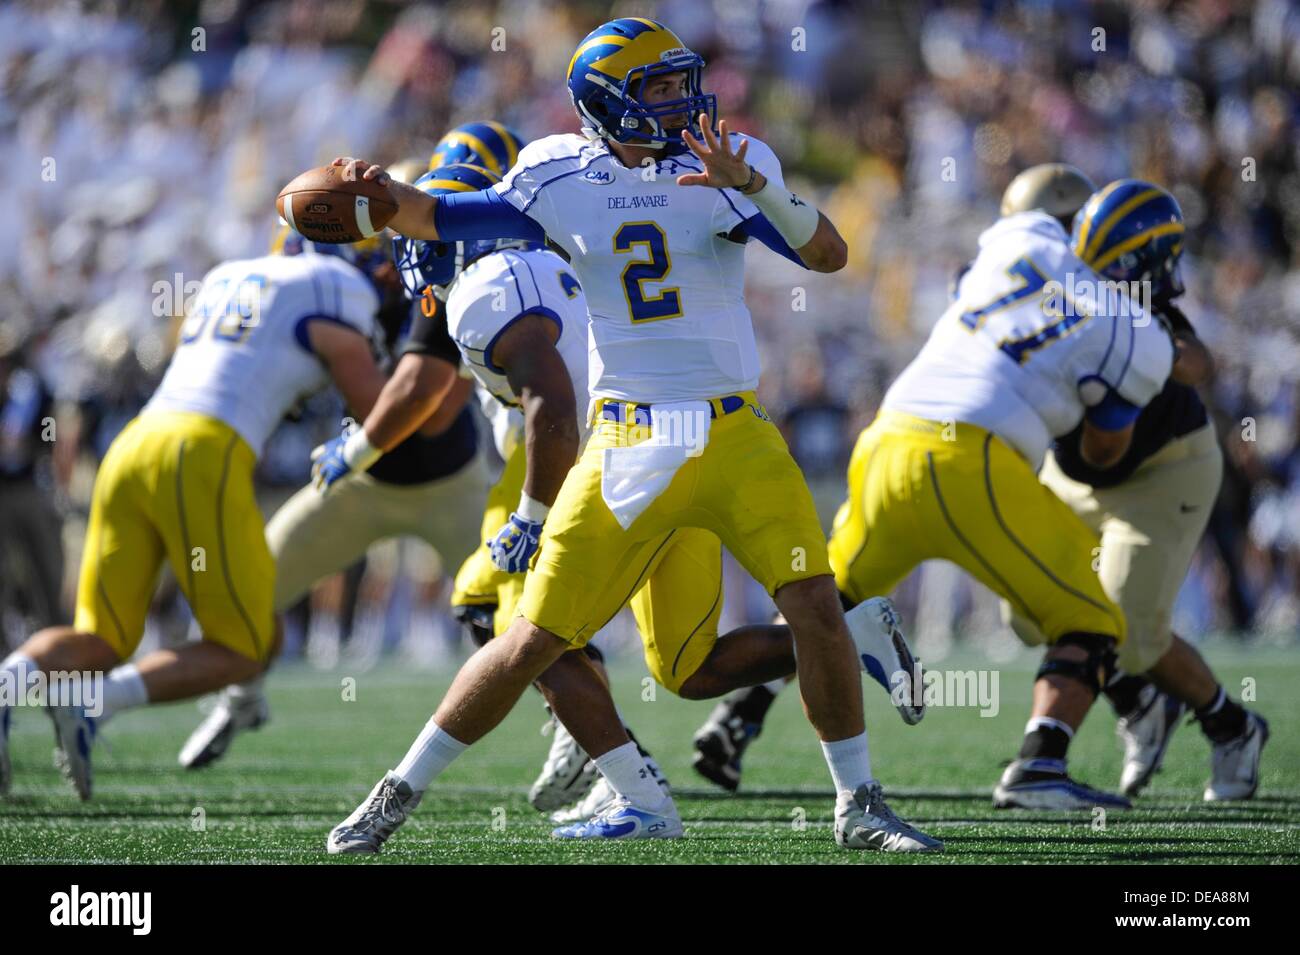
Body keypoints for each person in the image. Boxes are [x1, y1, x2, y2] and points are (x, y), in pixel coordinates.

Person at [323, 17, 941, 853]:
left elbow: (826, 254)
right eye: (657, 87)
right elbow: (452, 219)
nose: (684, 98)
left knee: (814, 607)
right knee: (533, 639)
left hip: (733, 428)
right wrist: (377, 196)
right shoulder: (556, 172)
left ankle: (859, 803)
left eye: (681, 79)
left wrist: (755, 187)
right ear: (608, 105)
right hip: (626, 440)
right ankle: (395, 794)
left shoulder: (730, 163)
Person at [0, 236, 389, 798]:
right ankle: (93, 706)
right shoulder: (335, 287)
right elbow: (377, 410)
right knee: (250, 646)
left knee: (100, 636)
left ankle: (9, 688)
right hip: (202, 451)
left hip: (135, 445)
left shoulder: (229, 274)